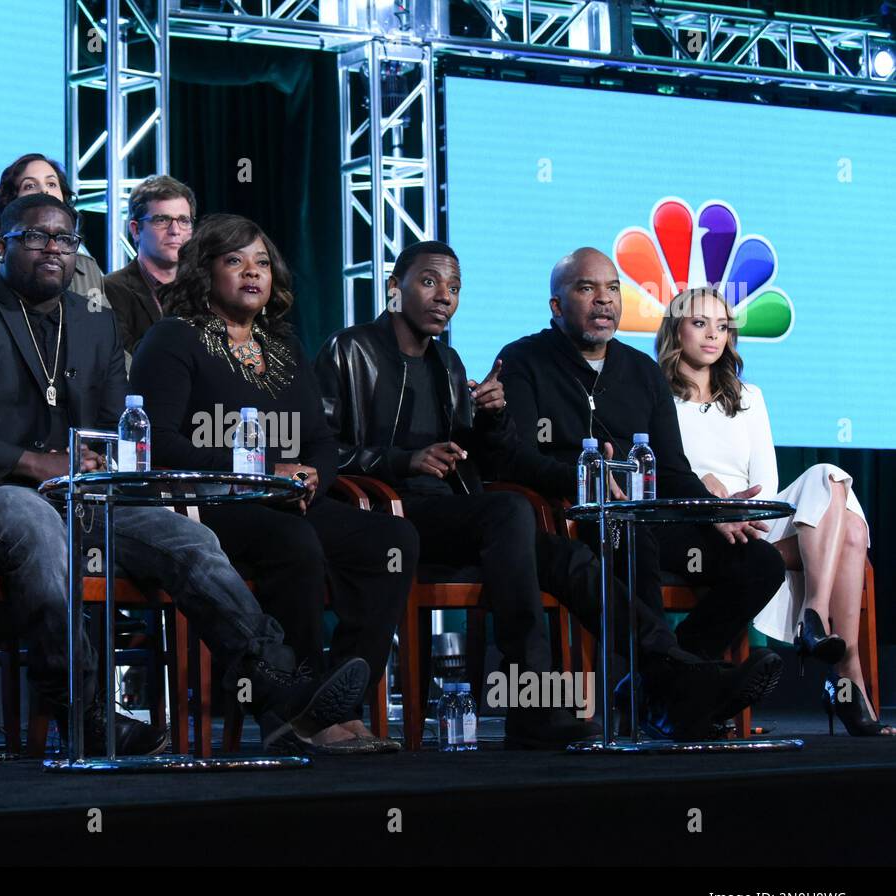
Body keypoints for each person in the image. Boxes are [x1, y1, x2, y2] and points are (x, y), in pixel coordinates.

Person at [0, 194, 368, 756]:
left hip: (89, 496)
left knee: (192, 540)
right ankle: (86, 709)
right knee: (44, 540)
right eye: (36, 236)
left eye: (66, 240)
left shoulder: (93, 322)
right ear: (1, 243)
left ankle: (280, 685)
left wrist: (114, 459)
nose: (53, 249)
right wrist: (30, 461)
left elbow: (124, 423)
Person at [315, 241, 773, 744]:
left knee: (575, 563)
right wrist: (406, 459)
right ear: (394, 288)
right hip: (401, 512)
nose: (443, 296)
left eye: (454, 287)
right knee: (529, 515)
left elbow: (473, 456)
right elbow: (323, 451)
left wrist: (492, 418)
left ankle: (664, 675)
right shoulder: (353, 349)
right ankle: (631, 687)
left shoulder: (449, 364)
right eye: (429, 282)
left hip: (469, 512)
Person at [129, 214, 418, 754]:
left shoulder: (282, 345)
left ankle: (334, 700)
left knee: (391, 542)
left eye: (261, 262)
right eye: (234, 261)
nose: (251, 273)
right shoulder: (173, 339)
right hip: (207, 503)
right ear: (204, 271)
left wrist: (314, 474)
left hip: (285, 501)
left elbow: (322, 442)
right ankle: (293, 708)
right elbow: (158, 443)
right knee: (294, 543)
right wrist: (257, 472)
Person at [495, 248, 785, 730]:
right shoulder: (524, 360)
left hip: (648, 516)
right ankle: (682, 686)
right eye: (587, 288)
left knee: (758, 560)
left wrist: (715, 513)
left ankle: (661, 683)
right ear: (556, 305)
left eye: (612, 288)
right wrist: (582, 476)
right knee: (633, 539)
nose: (604, 300)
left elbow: (671, 469)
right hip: (574, 518)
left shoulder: (640, 371)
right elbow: (513, 457)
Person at [657, 286, 886, 736]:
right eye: (700, 323)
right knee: (852, 535)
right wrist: (713, 495)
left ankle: (814, 615)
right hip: (702, 526)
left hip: (760, 519)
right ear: (675, 329)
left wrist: (748, 507)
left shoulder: (748, 397)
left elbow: (770, 483)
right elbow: (666, 470)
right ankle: (847, 677)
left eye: (722, 326)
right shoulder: (658, 397)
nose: (712, 336)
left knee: (828, 477)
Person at [0, 152, 109, 307]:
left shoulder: (87, 266)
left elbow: (101, 325)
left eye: (52, 184)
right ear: (12, 202)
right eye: (30, 186)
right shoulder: (1, 268)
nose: (44, 191)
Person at [103, 175, 197, 352]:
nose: (175, 231)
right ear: (136, 230)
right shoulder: (108, 291)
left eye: (183, 220)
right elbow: (121, 359)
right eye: (162, 220)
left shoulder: (204, 289)